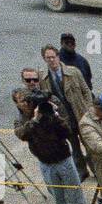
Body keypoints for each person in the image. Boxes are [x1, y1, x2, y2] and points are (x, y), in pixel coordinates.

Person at [13, 87, 93, 204]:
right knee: (57, 195)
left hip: (64, 160)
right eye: (23, 101)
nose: (27, 104)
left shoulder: (50, 112)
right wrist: (35, 120)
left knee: (75, 193)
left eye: (28, 100)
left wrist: (56, 116)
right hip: (45, 163)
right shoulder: (22, 120)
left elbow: (67, 131)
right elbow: (22, 134)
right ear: (17, 104)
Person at [40, 46, 93, 179]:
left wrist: (89, 109)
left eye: (53, 57)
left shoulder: (73, 72)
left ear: (58, 57)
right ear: (44, 59)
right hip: (64, 119)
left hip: (80, 115)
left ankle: (96, 170)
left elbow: (86, 91)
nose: (52, 60)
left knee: (90, 145)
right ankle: (82, 170)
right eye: (48, 58)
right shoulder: (44, 78)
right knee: (74, 147)